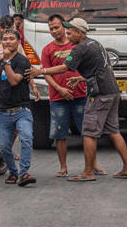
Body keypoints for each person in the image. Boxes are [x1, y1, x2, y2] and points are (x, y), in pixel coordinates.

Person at [27, 17, 127, 183]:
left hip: (99, 95)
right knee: (113, 130)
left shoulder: (79, 49)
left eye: (70, 33)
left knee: (89, 133)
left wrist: (40, 71)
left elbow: (64, 67)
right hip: (112, 92)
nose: (67, 36)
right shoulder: (95, 44)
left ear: (79, 32)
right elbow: (99, 69)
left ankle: (88, 172)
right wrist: (81, 79)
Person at [40, 14, 90, 178]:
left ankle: (91, 165)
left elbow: (88, 68)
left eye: (56, 27)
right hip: (58, 98)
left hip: (80, 95)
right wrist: (59, 89)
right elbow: (46, 74)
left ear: (64, 26)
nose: (54, 31)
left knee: (87, 132)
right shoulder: (47, 49)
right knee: (60, 134)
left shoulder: (77, 45)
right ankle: (63, 167)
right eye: (51, 29)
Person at [0, 29, 37, 186]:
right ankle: (13, 172)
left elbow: (14, 81)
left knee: (26, 138)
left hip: (21, 110)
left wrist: (6, 62)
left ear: (18, 42)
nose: (8, 41)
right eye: (5, 39)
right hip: (3, 112)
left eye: (12, 38)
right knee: (4, 147)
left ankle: (24, 173)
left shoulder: (22, 61)